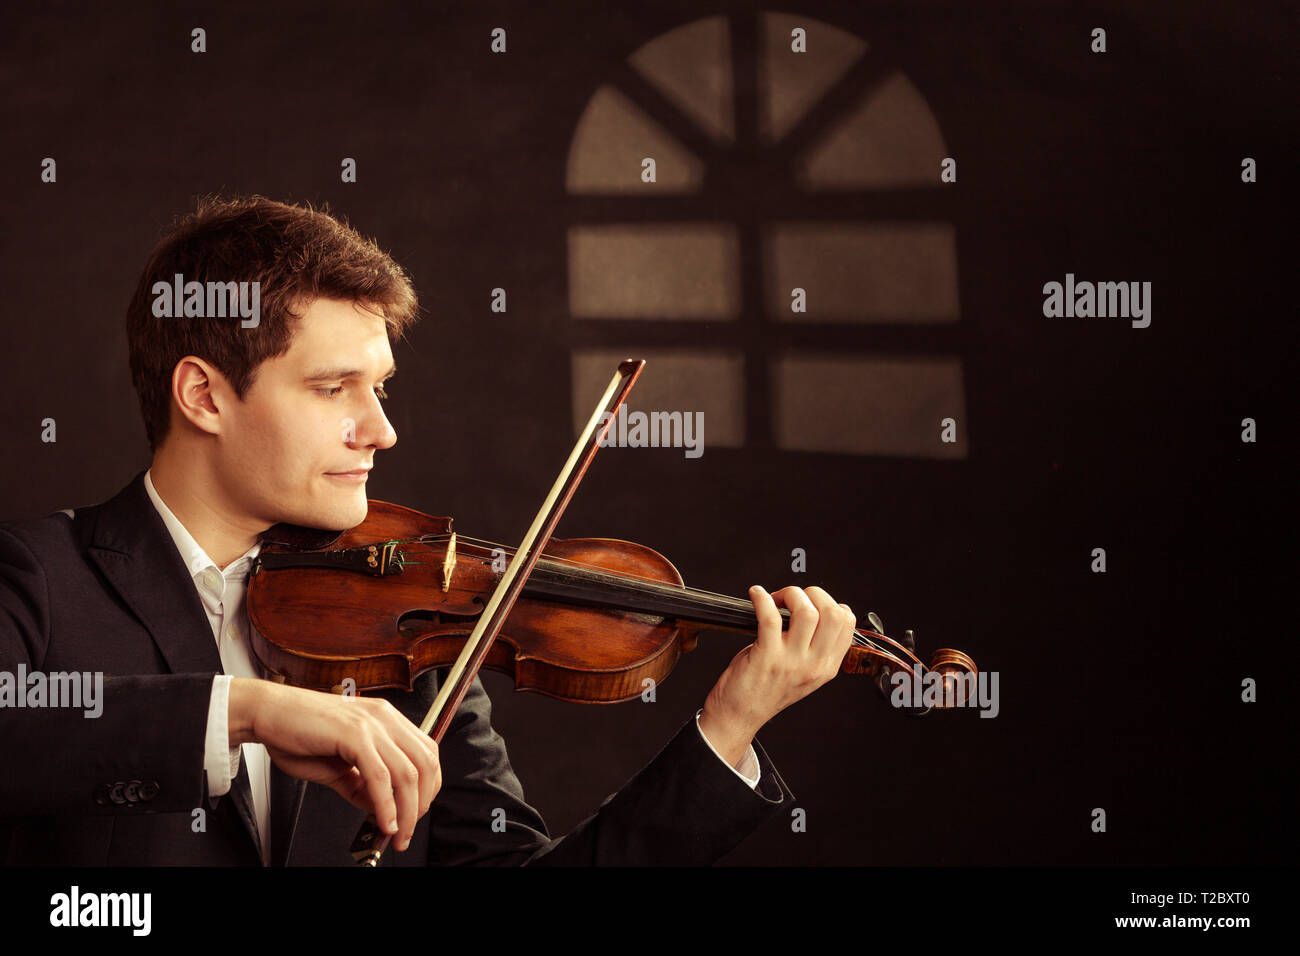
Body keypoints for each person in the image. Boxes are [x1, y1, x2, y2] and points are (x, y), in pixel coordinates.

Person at [0, 196, 858, 866]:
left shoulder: (405, 635)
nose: (381, 430)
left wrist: (726, 731)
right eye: (333, 388)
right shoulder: (37, 577)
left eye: (380, 388)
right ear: (204, 396)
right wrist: (250, 711)